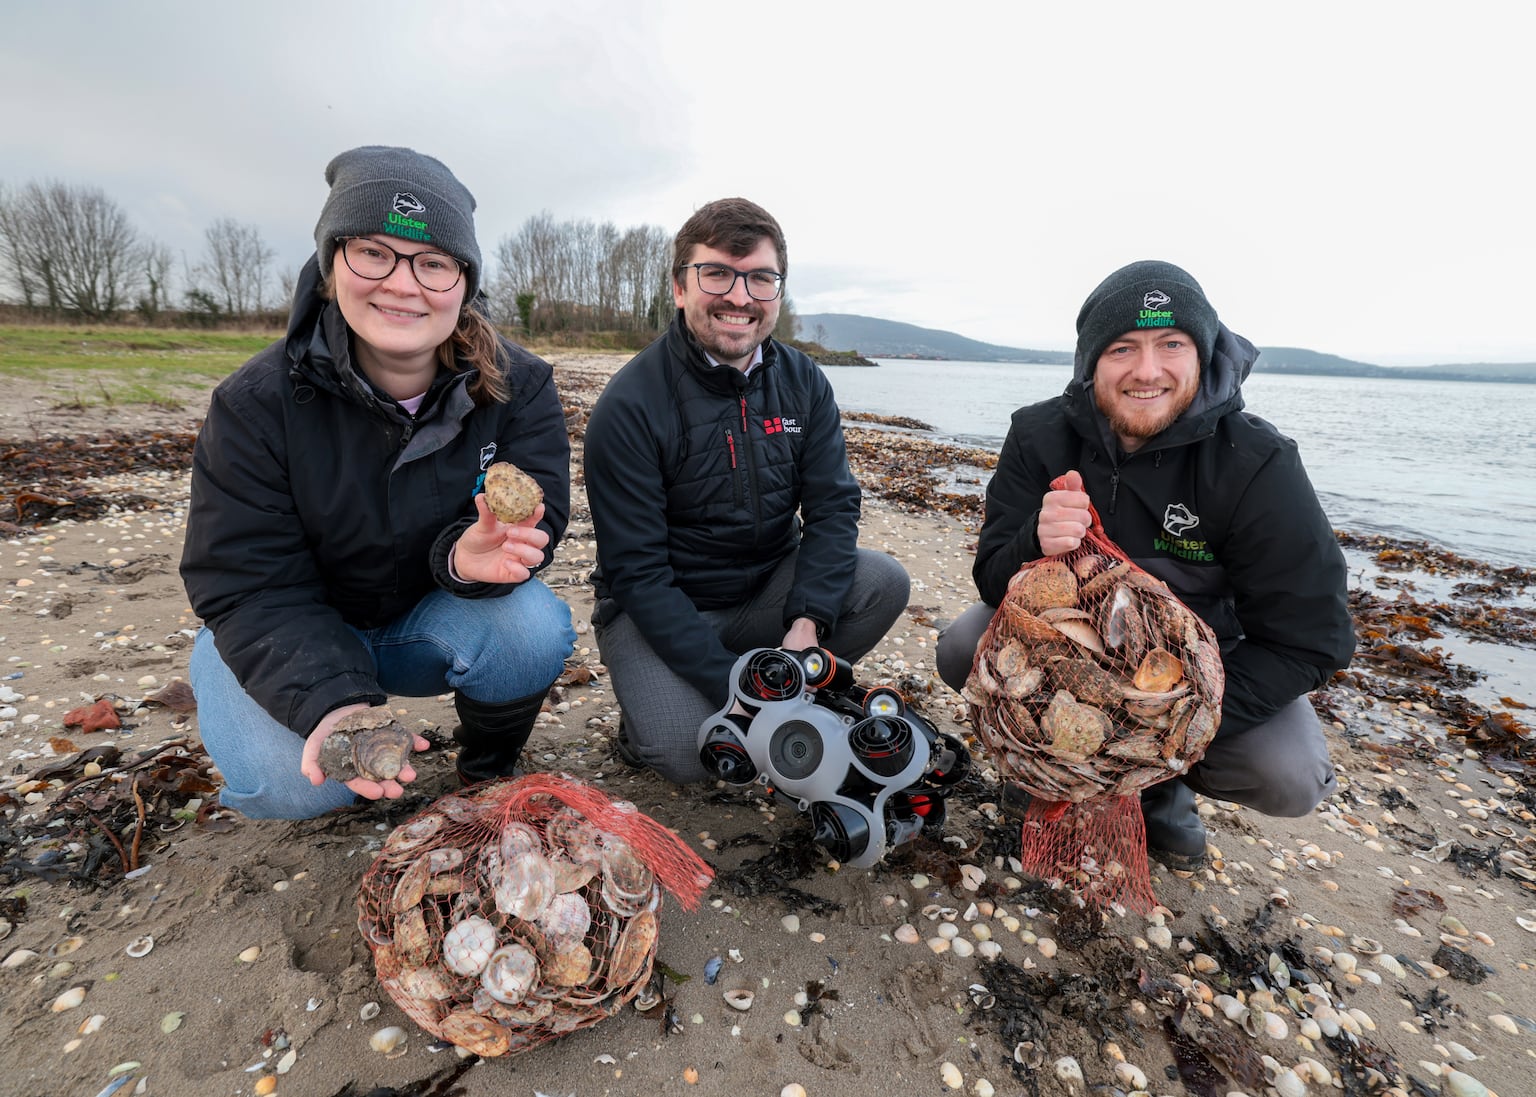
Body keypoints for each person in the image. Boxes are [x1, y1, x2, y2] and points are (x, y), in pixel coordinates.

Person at [180, 145, 576, 819]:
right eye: (373, 252)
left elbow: (542, 510)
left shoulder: (520, 385)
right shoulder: (253, 403)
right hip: (285, 624)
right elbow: (245, 580)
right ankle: (320, 715)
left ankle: (485, 767)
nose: (402, 283)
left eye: (432, 262)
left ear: (463, 281)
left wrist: (465, 556)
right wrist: (334, 705)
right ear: (333, 263)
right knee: (285, 784)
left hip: (424, 619)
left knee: (533, 625)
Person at [935, 260, 1355, 868]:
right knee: (962, 645)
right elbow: (991, 577)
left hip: (1195, 671)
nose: (1147, 370)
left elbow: (1312, 642)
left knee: (1288, 774)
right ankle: (1045, 770)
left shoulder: (1257, 463)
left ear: (1204, 354)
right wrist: (1033, 539)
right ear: (1090, 361)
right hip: (1064, 653)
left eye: (1171, 344)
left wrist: (1156, 730)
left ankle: (1160, 792)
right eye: (1122, 348)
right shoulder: (1037, 433)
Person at [583, 197, 911, 783]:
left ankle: (783, 689)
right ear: (680, 288)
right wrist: (731, 685)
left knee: (882, 580)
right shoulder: (630, 404)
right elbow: (636, 574)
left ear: (777, 292)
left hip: (765, 593)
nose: (740, 296)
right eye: (717, 274)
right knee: (693, 759)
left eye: (760, 278)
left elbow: (834, 507)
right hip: (657, 610)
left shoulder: (804, 381)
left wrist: (808, 621)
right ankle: (667, 719)